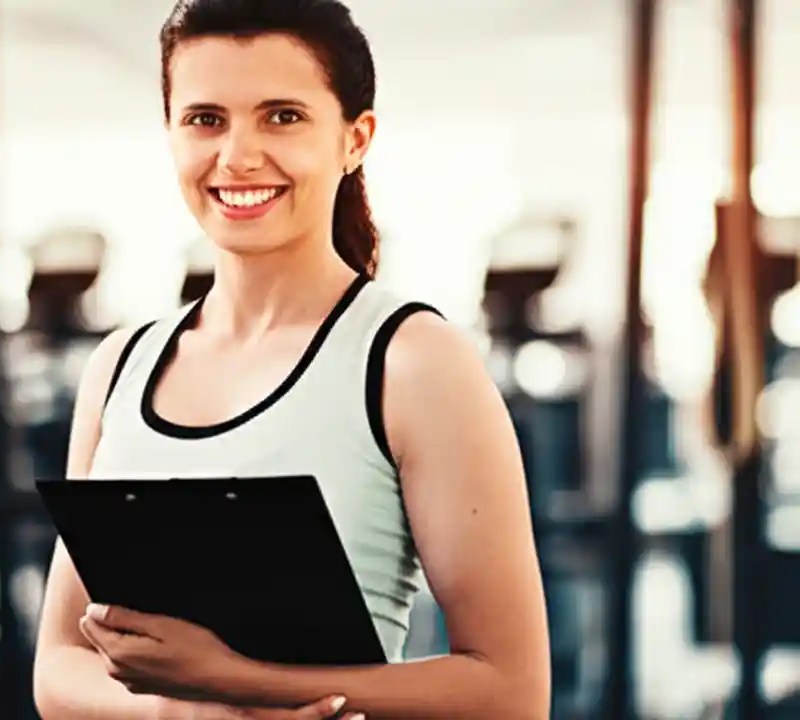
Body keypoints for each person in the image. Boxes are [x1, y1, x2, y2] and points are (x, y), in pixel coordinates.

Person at [32, 0, 551, 717]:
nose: (237, 155)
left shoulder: (413, 363)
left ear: (355, 139)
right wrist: (187, 711)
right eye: (205, 119)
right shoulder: (120, 367)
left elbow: (512, 692)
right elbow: (59, 665)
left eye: (282, 116)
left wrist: (239, 684)